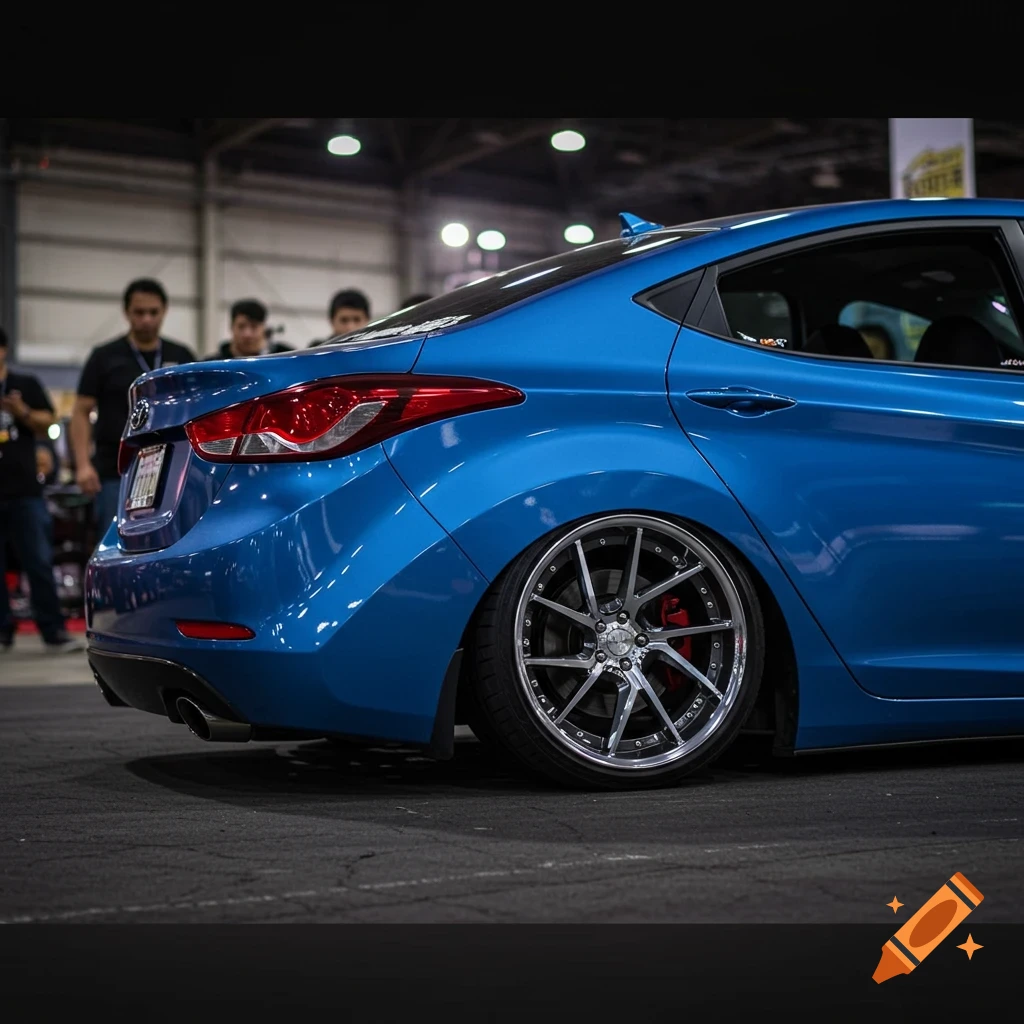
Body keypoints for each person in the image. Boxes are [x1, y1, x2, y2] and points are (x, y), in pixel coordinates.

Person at [70, 279, 196, 535]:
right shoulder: (104, 356)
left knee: (169, 540)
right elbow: (81, 412)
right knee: (115, 542)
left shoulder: (181, 355)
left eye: (153, 312)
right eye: (139, 313)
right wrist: (83, 465)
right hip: (116, 469)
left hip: (172, 469)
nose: (147, 319)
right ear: (127, 312)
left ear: (164, 311)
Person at [0, 326, 84, 652]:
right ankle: (3, 631)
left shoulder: (25, 385)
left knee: (38, 560)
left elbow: (50, 424)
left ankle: (53, 630)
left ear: (4, 349)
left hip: (24, 490)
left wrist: (22, 413)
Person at [206, 299, 294, 359]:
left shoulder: (287, 359)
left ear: (264, 327)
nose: (247, 334)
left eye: (254, 327)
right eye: (241, 326)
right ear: (231, 327)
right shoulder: (213, 367)